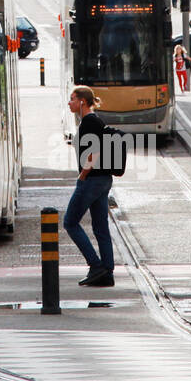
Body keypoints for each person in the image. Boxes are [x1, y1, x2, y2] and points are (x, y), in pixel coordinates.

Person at [64, 86, 115, 287]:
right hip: (103, 180)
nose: (70, 103)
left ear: (82, 102)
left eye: (72, 99)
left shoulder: (88, 122)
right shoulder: (95, 120)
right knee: (100, 226)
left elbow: (95, 153)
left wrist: (83, 175)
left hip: (92, 179)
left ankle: (95, 265)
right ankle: (107, 273)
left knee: (70, 222)